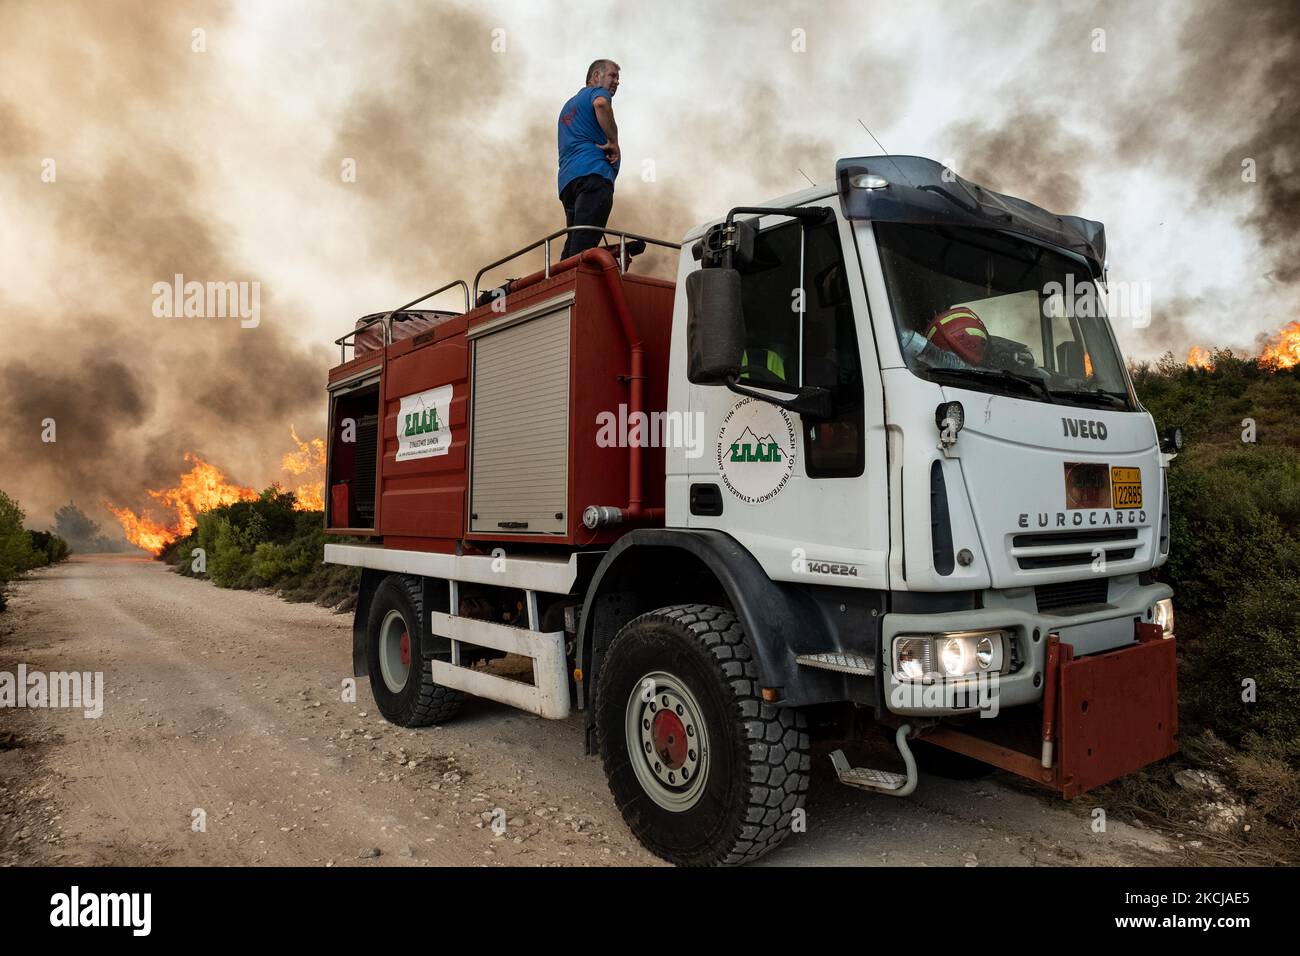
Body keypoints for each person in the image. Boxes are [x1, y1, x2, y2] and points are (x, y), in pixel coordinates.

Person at [557, 59, 621, 260]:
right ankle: (577, 284)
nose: (617, 82)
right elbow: (601, 104)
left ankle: (560, 281)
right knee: (583, 246)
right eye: (612, 75)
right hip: (593, 176)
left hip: (568, 183)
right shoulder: (597, 93)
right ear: (596, 76)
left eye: (618, 78)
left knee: (574, 241)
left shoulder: (568, 106)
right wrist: (613, 141)